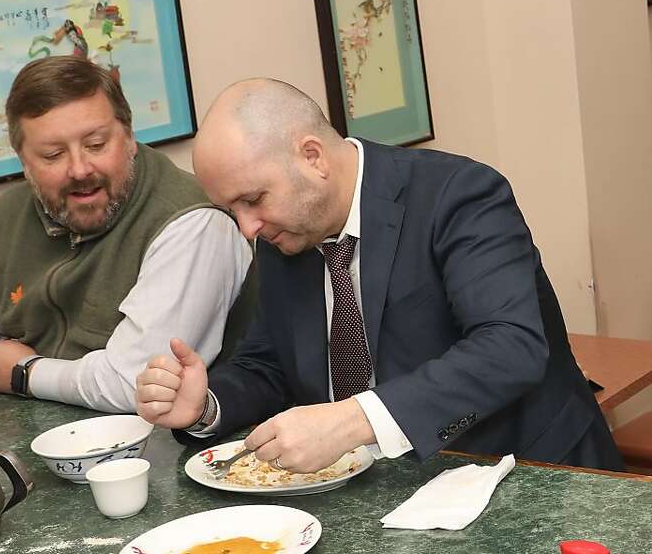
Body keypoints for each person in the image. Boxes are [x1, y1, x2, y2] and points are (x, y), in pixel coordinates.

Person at [135, 78, 621, 472]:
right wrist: (206, 406)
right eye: (231, 209)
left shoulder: (458, 195)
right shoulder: (283, 232)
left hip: (519, 474)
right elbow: (270, 362)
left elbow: (510, 346)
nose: (247, 228)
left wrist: (353, 420)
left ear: (312, 157)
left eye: (253, 199)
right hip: (379, 495)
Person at [0, 57, 255, 411]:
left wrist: (25, 373)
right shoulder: (1, 220)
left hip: (169, 448)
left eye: (96, 145)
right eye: (53, 155)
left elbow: (137, 382)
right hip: (41, 438)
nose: (80, 169)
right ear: (24, 162)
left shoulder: (193, 223)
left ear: (129, 137)